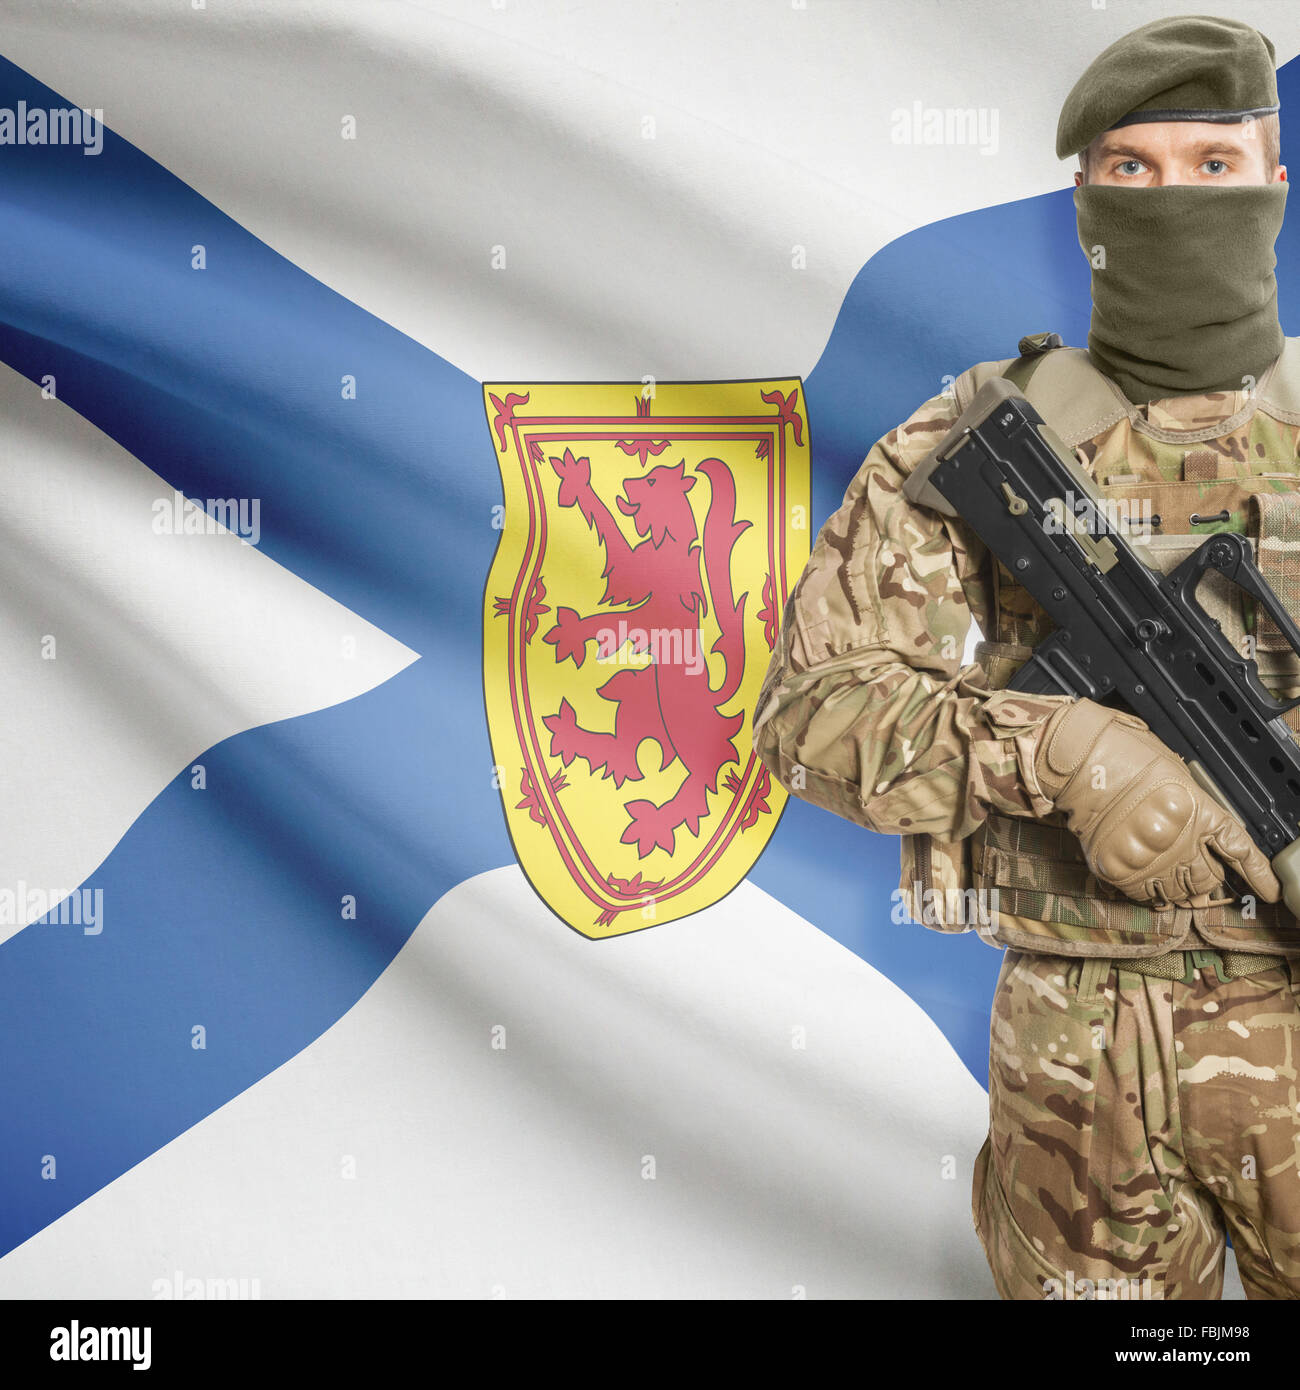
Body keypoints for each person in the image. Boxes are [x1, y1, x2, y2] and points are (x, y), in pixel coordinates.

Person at [752, 14, 1300, 1299]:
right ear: (1083, 201)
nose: (1172, 200)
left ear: (1274, 186)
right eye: (1132, 171)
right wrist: (1054, 750)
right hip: (1074, 1064)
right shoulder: (979, 439)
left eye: (1212, 168)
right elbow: (808, 711)